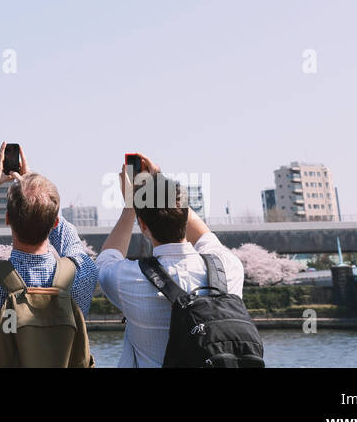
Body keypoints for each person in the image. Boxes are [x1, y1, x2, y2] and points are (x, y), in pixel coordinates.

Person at [0, 143, 98, 367]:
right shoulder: (82, 274)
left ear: (7, 219)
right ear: (55, 221)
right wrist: (33, 187)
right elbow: (71, 240)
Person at [97, 154, 246, 367]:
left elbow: (106, 259)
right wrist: (161, 181)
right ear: (186, 216)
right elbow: (203, 235)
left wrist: (131, 204)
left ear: (143, 225)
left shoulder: (127, 280)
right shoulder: (228, 267)